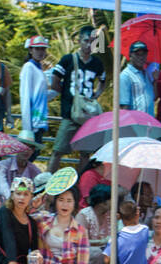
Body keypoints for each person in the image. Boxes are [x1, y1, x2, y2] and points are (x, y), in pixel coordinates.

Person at [48, 25, 106, 173]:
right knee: (58, 150)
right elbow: (54, 80)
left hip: (88, 114)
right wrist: (67, 94)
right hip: (70, 113)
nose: (89, 45)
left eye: (93, 42)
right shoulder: (68, 59)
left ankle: (80, 185)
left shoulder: (97, 63)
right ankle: (49, 184)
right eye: (86, 41)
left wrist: (95, 95)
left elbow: (103, 80)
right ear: (79, 41)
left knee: (85, 154)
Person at [32, 185, 89, 264]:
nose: (65, 205)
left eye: (69, 201)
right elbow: (23, 218)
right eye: (61, 200)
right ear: (55, 202)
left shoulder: (81, 231)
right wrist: (33, 205)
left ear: (75, 203)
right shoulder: (43, 219)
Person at [0, 177, 41, 264]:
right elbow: (9, 239)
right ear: (12, 195)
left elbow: (34, 250)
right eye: (18, 193)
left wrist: (38, 257)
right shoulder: (4, 212)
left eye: (26, 194)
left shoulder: (32, 222)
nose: (22, 197)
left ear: (31, 197)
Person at [106, 197, 151, 264]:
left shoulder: (116, 238)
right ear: (137, 214)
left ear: (120, 217)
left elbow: (106, 259)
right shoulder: (145, 231)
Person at [19, 36, 56, 144]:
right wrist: (27, 127)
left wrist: (57, 90)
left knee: (34, 153)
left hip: (40, 119)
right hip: (33, 122)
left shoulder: (39, 68)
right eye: (37, 49)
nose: (40, 52)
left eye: (43, 49)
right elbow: (25, 97)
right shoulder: (28, 67)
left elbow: (41, 96)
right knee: (30, 154)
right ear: (30, 50)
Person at [77, 182, 113, 264]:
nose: (113, 202)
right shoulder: (84, 215)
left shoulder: (109, 215)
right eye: (110, 199)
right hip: (85, 252)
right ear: (102, 202)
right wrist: (101, 242)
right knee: (97, 253)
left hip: (104, 251)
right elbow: (79, 241)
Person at [0, 133, 41, 198]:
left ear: (33, 151)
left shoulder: (35, 171)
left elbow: (37, 191)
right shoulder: (3, 165)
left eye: (30, 147)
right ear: (16, 147)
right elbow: (2, 188)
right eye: (23, 146)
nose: (26, 150)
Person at [120, 41, 154, 114]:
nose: (141, 57)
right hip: (135, 122)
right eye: (137, 54)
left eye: (143, 54)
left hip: (149, 121)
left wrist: (155, 81)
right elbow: (123, 107)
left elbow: (154, 98)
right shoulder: (125, 75)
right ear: (130, 55)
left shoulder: (147, 73)